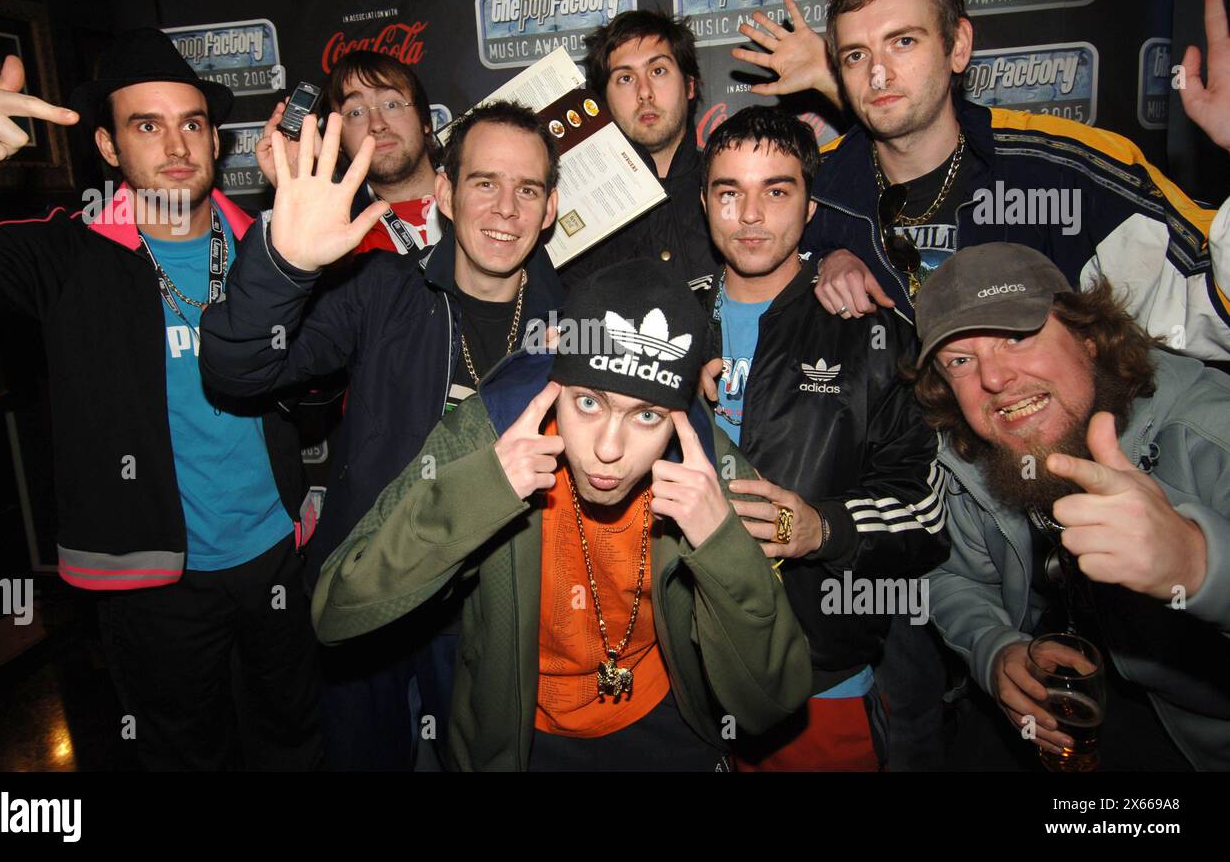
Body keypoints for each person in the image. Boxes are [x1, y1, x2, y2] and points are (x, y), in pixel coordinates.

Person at [0, 29, 321, 770]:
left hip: (276, 555)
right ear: (108, 148)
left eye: (192, 122)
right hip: (151, 578)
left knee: (293, 743)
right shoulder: (65, 255)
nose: (176, 144)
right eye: (147, 124)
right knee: (182, 755)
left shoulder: (272, 246)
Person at [311, 259, 812, 770]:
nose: (609, 449)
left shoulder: (708, 470)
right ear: (557, 381)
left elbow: (774, 700)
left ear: (678, 417)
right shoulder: (492, 432)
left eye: (646, 416)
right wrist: (481, 491)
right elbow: (336, 611)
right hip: (518, 737)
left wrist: (720, 545)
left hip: (666, 728)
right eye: (588, 403)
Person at [199, 99, 566, 769]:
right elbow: (236, 369)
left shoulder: (574, 328)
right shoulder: (383, 290)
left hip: (487, 619)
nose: (506, 209)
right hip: (365, 599)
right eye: (484, 182)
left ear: (549, 209)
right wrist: (283, 263)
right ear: (446, 194)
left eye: (528, 189)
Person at [732, 0, 1230, 362]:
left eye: (903, 42)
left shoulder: (1062, 171)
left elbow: (1202, 307)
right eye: (857, 55)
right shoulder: (819, 185)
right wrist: (824, 261)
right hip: (885, 474)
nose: (878, 74)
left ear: (959, 46)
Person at [909, 243, 1230, 770]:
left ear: (1089, 338)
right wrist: (995, 648)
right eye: (961, 361)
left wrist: (1199, 565)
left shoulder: (1209, 432)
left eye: (1016, 337)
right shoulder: (975, 455)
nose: (993, 379)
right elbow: (952, 578)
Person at [696, 106, 947, 769]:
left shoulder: (869, 329)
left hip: (819, 681)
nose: (751, 216)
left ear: (810, 209)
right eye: (730, 192)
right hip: (677, 676)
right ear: (705, 202)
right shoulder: (667, 315)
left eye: (776, 191)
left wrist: (821, 527)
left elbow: (926, 513)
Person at [561, 10, 720, 291]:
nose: (644, 92)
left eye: (658, 71)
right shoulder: (570, 210)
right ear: (603, 102)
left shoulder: (733, 191)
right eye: (625, 78)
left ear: (690, 86)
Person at [255, 50, 442, 255]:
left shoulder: (478, 202)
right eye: (356, 112)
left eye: (391, 104)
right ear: (339, 140)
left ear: (424, 119)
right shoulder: (336, 236)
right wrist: (297, 208)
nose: (377, 124)